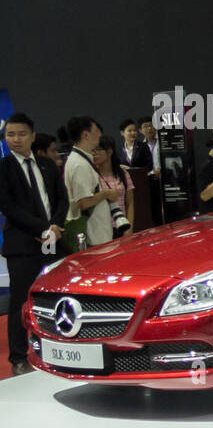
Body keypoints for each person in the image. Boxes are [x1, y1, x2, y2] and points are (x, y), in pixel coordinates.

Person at [0, 114, 68, 375]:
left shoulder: (47, 165)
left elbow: (62, 199)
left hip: (52, 241)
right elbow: (8, 206)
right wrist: (41, 229)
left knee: (54, 295)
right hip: (23, 245)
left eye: (20, 134)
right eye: (9, 135)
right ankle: (18, 358)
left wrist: (55, 227)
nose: (15, 139)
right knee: (20, 300)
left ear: (31, 135)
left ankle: (56, 346)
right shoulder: (3, 167)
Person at [62, 116, 117, 248]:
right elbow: (83, 202)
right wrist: (106, 194)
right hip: (93, 237)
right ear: (86, 134)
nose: (100, 134)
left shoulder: (82, 159)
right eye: (96, 130)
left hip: (97, 233)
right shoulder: (79, 164)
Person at [93, 136, 134, 237]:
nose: (94, 153)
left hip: (121, 226)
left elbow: (130, 203)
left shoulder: (123, 174)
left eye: (97, 150)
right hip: (100, 230)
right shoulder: (92, 176)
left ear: (109, 152)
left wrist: (129, 228)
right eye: (92, 150)